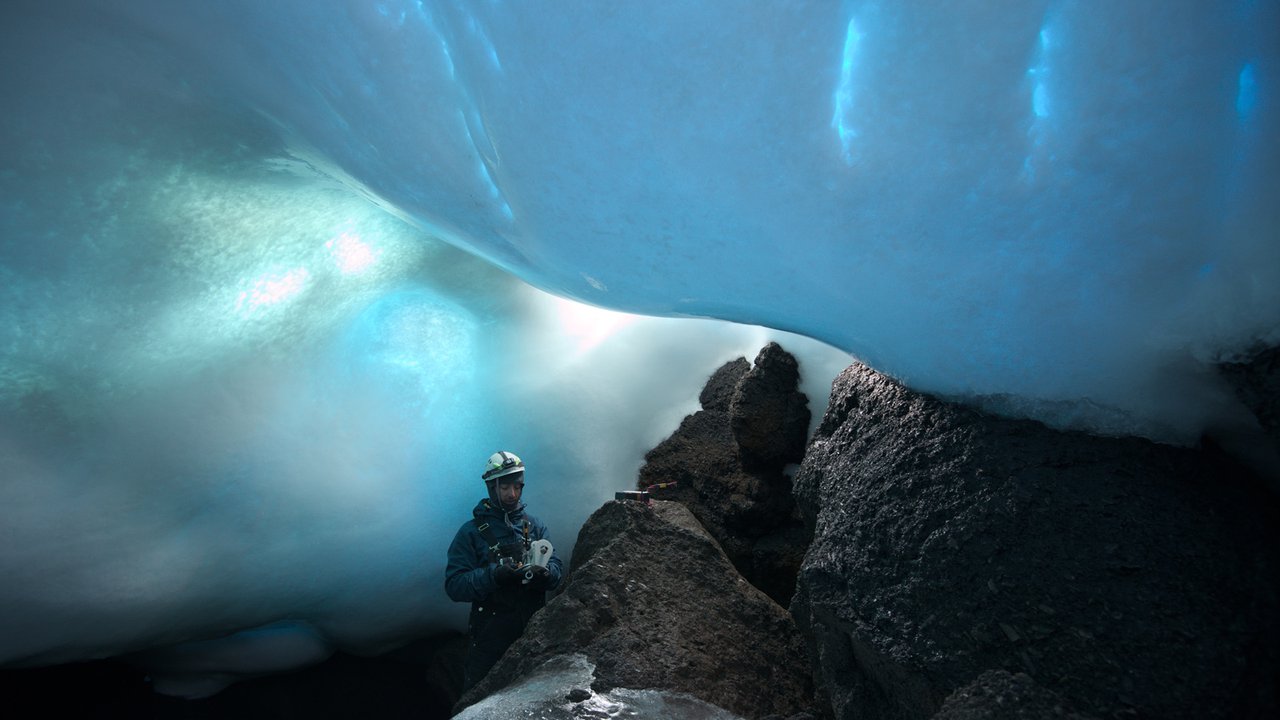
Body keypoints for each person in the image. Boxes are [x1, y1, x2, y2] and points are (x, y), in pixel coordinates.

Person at [445, 450, 563, 692]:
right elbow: (454, 585)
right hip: (489, 641)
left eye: (518, 487)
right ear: (491, 487)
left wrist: (546, 573)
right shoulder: (471, 533)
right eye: (505, 487)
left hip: (533, 635)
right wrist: (494, 574)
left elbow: (557, 568)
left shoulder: (534, 525)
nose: (513, 494)